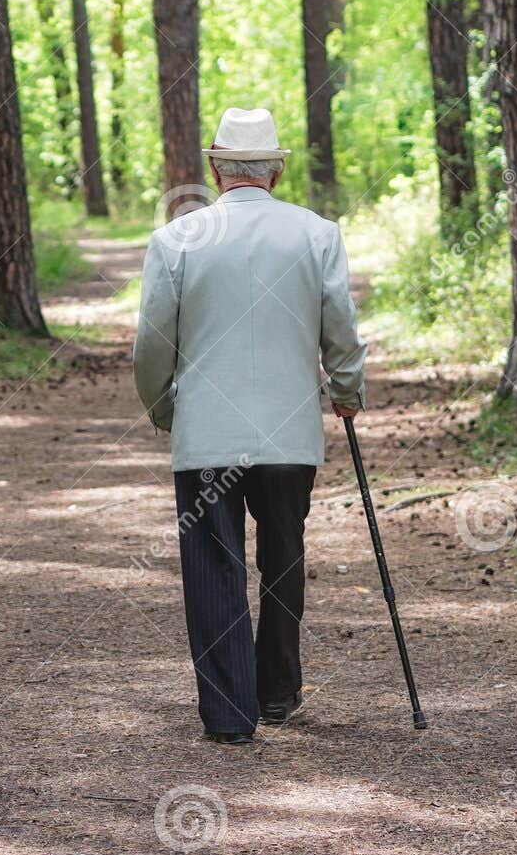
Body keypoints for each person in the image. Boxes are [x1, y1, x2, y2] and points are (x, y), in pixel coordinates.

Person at [133, 107, 367, 745]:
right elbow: (340, 330)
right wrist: (347, 393)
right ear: (278, 169)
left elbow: (152, 345)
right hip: (291, 436)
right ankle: (279, 690)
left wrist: (163, 409)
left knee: (215, 563)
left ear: (213, 167)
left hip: (207, 435)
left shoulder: (177, 240)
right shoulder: (317, 234)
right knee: (284, 556)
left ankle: (230, 713)